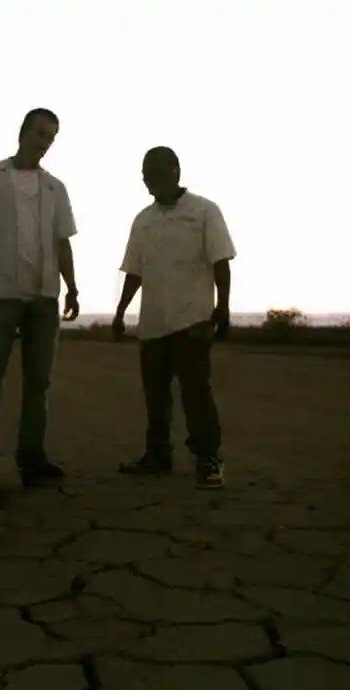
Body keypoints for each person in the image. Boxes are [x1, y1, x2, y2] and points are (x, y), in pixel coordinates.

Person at [0, 108, 80, 486]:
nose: (44, 143)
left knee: (38, 381)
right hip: (0, 294)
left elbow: (63, 242)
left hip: (44, 297)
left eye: (51, 138)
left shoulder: (55, 187)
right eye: (40, 134)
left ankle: (33, 457)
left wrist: (71, 286)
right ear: (24, 132)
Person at [112, 147, 235, 489]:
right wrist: (121, 312)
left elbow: (220, 262)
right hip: (153, 323)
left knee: (196, 392)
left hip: (192, 320)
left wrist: (222, 307)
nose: (151, 179)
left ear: (176, 171)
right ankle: (157, 455)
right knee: (155, 395)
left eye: (157, 171)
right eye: (146, 174)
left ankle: (208, 458)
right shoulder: (144, 220)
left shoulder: (204, 212)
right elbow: (134, 271)